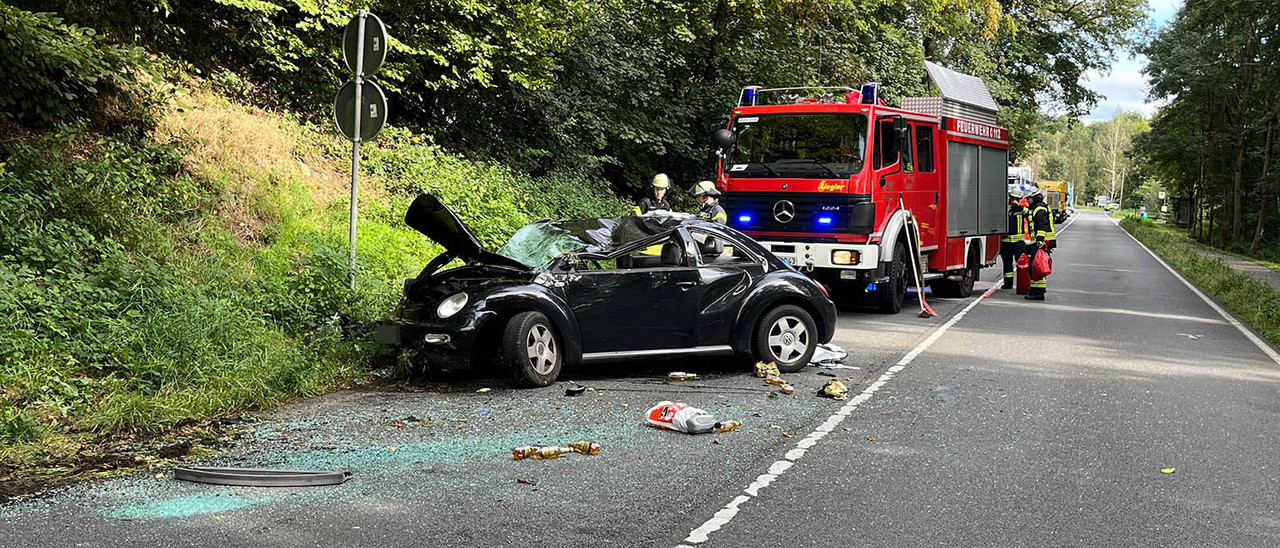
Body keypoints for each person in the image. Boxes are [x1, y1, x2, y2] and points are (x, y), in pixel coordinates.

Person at [1025, 187, 1056, 300]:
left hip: (1042, 241)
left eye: (1028, 198)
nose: (1027, 200)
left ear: (1034, 198)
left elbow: (1042, 226)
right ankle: (1036, 290)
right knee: (1036, 266)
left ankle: (1038, 292)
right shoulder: (1036, 208)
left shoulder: (1039, 209)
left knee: (1038, 266)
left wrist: (1039, 241)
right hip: (1041, 241)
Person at [1001, 184, 1030, 289]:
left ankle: (1023, 283)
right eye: (1012, 198)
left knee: (1022, 264)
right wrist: (1008, 209)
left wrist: (1019, 206)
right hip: (1006, 242)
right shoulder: (1006, 208)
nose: (1013, 200)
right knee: (1007, 264)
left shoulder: (1022, 209)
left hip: (1019, 242)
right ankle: (1008, 283)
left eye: (1016, 199)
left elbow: (1028, 213)